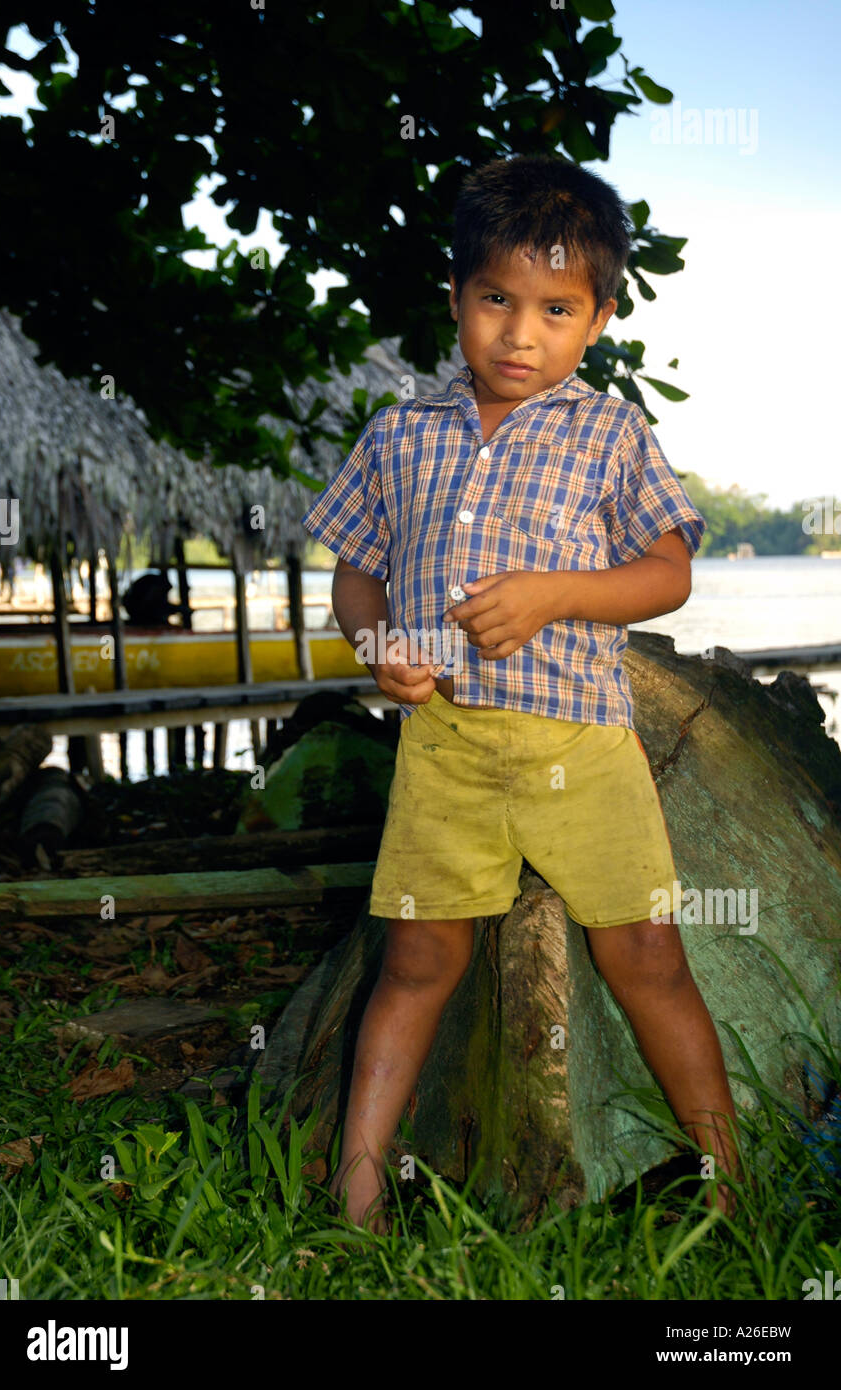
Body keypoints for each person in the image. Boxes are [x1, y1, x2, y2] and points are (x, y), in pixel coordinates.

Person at [302, 154, 740, 1235]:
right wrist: (377, 642)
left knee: (644, 952)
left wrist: (557, 595)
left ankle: (733, 1182)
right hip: (444, 743)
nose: (519, 333)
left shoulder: (611, 434)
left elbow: (669, 572)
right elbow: (354, 570)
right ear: (456, 299)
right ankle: (356, 1192)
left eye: (555, 308)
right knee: (417, 956)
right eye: (495, 299)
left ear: (595, 321)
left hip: (584, 742)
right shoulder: (401, 434)